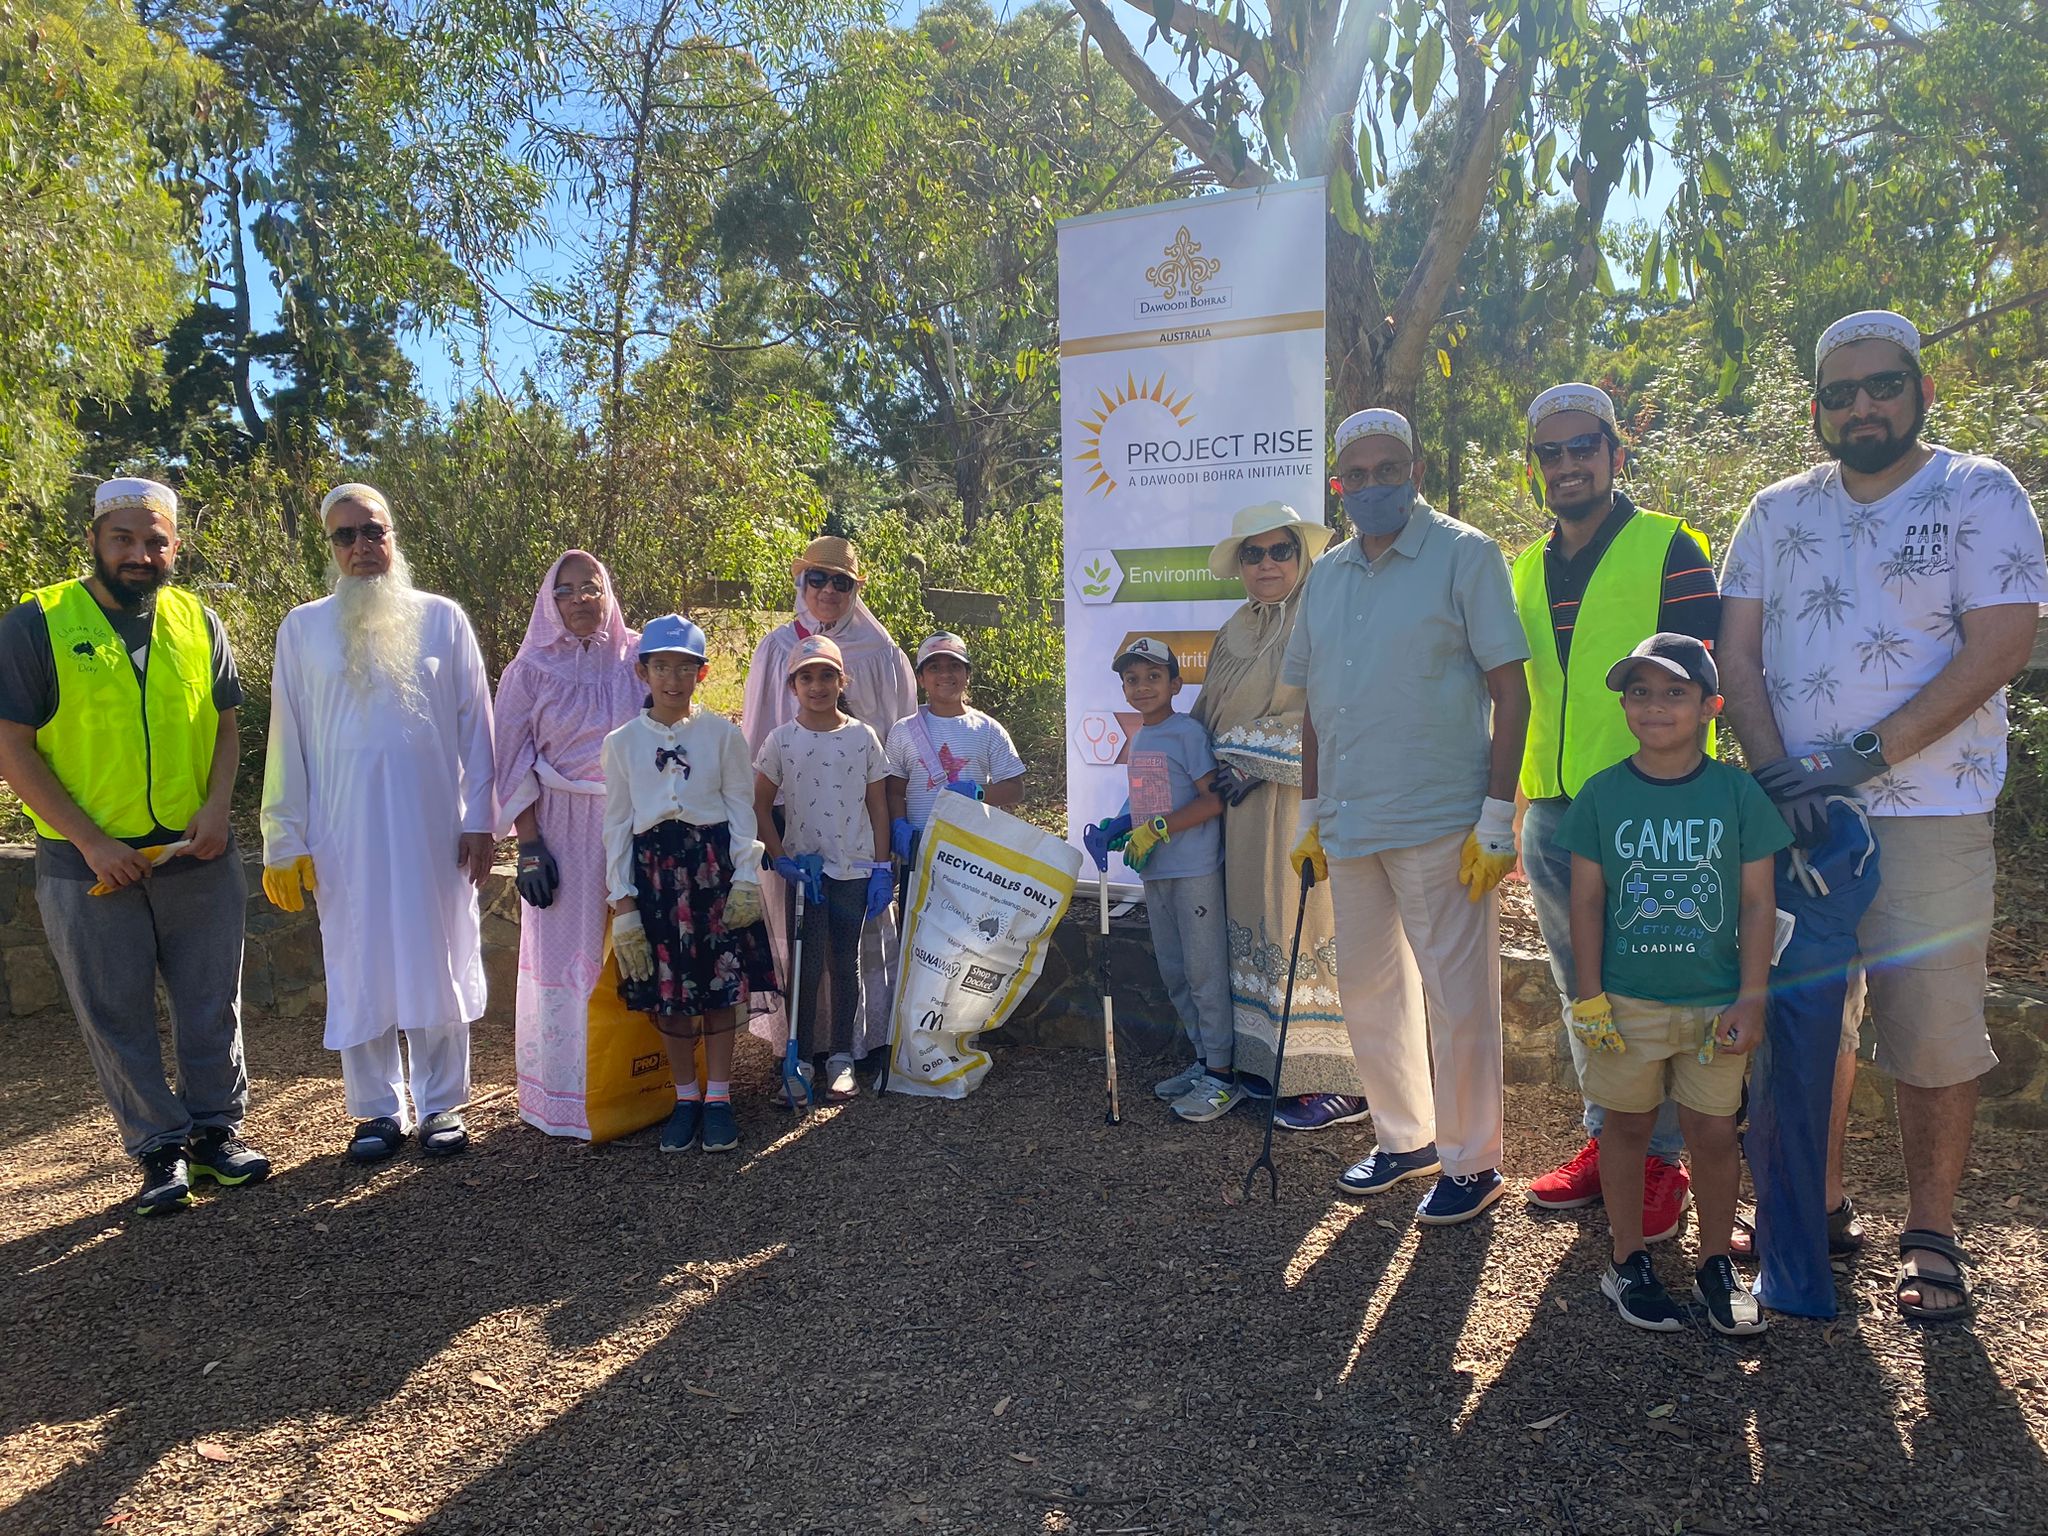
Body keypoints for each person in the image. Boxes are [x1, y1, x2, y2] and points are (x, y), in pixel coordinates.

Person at [1718, 308, 2048, 1322]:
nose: (1861, 406)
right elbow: (1737, 653)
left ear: (1921, 391)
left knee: (1931, 1030)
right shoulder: (1776, 509)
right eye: (1839, 393)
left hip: (1928, 811)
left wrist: (1860, 758)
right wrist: (1780, 782)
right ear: (1817, 409)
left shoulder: (1977, 491)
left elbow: (2001, 644)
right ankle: (1810, 1208)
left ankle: (1930, 1231)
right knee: (1806, 1020)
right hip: (1795, 818)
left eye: (1882, 386)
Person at [1286, 409, 1531, 1225]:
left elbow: (1511, 692)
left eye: (1387, 470)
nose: (1372, 486)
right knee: (1367, 987)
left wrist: (1497, 817)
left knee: (1457, 999)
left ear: (1415, 473)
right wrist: (1310, 813)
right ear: (1339, 486)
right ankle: (1405, 1138)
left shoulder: (1466, 554)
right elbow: (1316, 702)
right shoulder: (1326, 575)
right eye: (1356, 475)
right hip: (1349, 819)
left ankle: (1472, 1161)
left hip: (1440, 819)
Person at [0, 477, 266, 1215]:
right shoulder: (37, 622)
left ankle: (215, 1135)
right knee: (114, 1013)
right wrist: (90, 842)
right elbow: (12, 746)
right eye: (123, 538)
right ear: (95, 539)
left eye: (155, 541)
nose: (139, 554)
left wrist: (217, 810)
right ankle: (158, 1148)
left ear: (174, 547)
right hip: (87, 864)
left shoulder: (198, 620)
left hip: (196, 855)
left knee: (212, 1002)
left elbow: (225, 729)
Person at [1510, 382, 1722, 1240]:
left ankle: (1661, 1161)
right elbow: (1519, 696)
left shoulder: (1671, 547)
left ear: (1615, 455)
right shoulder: (1524, 568)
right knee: (1584, 990)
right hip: (1553, 813)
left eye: (1582, 448)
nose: (1567, 464)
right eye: (1550, 452)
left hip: (1649, 812)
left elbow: (1702, 681)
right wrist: (1511, 807)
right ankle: (1610, 1142)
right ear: (1536, 467)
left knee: (1655, 987)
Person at [1556, 635, 1787, 1335]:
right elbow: (1586, 902)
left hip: (1715, 1002)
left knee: (1713, 1133)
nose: (1654, 706)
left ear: (1712, 707)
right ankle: (1627, 1259)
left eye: (1675, 693)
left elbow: (1758, 904)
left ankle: (1716, 1262)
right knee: (1625, 1127)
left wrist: (1752, 996)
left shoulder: (1737, 794)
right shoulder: (1602, 794)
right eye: (1640, 692)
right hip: (1626, 1001)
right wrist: (1589, 996)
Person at [260, 483, 496, 1164]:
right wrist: (283, 837)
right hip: (344, 833)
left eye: (373, 531)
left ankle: (442, 1104)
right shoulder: (302, 628)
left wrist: (481, 818)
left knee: (436, 956)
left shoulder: (442, 619)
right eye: (346, 535)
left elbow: (477, 727)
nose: (362, 546)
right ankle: (375, 1111)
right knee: (357, 961)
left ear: (392, 536)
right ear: (330, 547)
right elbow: (286, 739)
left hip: (433, 829)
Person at [1187, 503, 1359, 1131]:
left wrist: (1252, 757)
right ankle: (1269, 1064)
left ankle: (1339, 1081)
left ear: (1302, 555)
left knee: (1305, 923)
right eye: (1253, 554)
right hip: (1240, 807)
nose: (1266, 564)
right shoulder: (1233, 628)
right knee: (1256, 920)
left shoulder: (1326, 616)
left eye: (1280, 551)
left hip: (1302, 798)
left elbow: (1336, 707)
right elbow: (1207, 715)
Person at [740, 536, 915, 1072]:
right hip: (797, 823)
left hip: (861, 826)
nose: (828, 590)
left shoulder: (881, 652)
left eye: (841, 581)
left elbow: (899, 736)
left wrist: (890, 832)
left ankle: (857, 1043)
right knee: (804, 946)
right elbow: (757, 735)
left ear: (855, 588)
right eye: (817, 578)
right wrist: (768, 835)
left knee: (853, 947)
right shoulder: (776, 648)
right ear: (801, 582)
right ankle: (801, 1047)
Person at [602, 615, 773, 1154]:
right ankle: (685, 1098)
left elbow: (741, 809)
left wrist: (746, 876)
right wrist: (623, 904)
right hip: (655, 879)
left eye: (684, 668)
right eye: (661, 667)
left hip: (711, 874)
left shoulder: (723, 735)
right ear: (643, 672)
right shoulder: (621, 743)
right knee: (670, 994)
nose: (672, 679)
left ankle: (718, 1098)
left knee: (718, 986)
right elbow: (616, 823)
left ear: (702, 674)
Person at [492, 551, 643, 1138]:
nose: (581, 598)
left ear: (608, 593)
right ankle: (567, 1097)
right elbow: (511, 759)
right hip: (561, 825)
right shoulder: (529, 671)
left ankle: (635, 1086)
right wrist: (529, 845)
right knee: (567, 956)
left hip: (635, 821)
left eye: (591, 586)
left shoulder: (637, 659)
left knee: (636, 949)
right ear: (549, 602)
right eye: (567, 590)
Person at [1086, 637, 1234, 1122]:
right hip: (1158, 871)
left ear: (1176, 683)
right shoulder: (1142, 736)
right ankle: (1203, 1061)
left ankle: (1223, 1076)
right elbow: (1147, 799)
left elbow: (1213, 799)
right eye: (1132, 679)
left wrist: (1159, 828)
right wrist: (1120, 825)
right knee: (1175, 972)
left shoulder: (1186, 732)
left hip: (1194, 870)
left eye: (1153, 676)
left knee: (1204, 972)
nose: (1142, 686)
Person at [753, 635, 893, 1102]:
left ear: (841, 681)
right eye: (807, 677)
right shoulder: (781, 739)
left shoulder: (862, 736)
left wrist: (881, 867)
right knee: (806, 965)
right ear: (792, 685)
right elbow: (759, 804)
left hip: (853, 869)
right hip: (805, 875)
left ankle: (841, 1058)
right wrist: (781, 857)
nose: (817, 686)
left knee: (844, 962)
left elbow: (878, 806)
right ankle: (800, 1061)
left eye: (827, 676)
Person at [884, 633, 1026, 869]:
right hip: (920, 853)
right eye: (934, 667)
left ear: (967, 675)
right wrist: (899, 824)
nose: (945, 674)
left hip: (973, 858)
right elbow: (894, 792)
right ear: (920, 678)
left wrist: (977, 792)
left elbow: (1015, 789)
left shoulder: (988, 728)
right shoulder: (903, 730)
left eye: (954, 666)